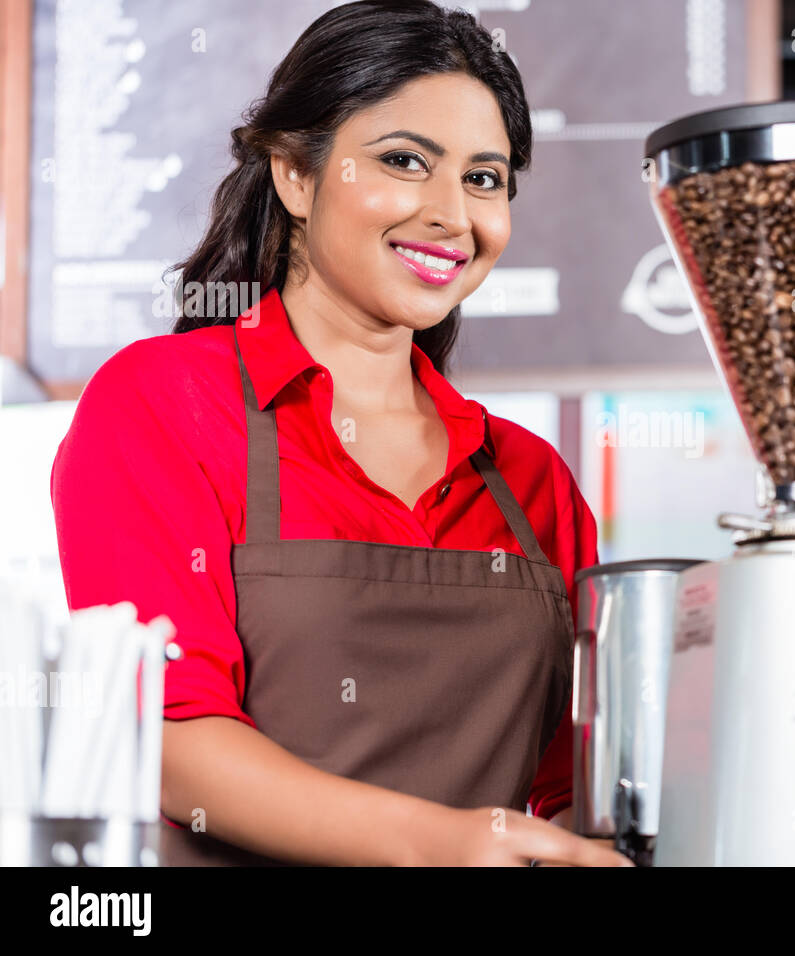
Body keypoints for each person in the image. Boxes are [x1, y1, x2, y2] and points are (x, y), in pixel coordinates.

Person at [51, 0, 628, 867]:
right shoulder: (165, 404)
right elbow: (172, 746)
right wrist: (444, 844)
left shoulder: (528, 477)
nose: (450, 214)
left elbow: (569, 787)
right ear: (294, 172)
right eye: (404, 162)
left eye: (484, 178)